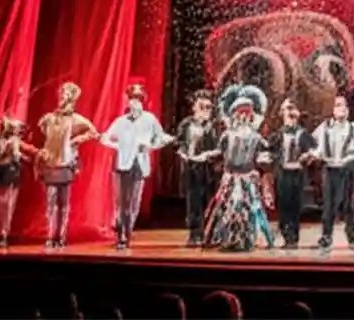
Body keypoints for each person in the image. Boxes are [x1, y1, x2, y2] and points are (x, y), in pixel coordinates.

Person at [101, 82, 174, 249]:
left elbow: (161, 137)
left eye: (139, 98)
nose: (136, 102)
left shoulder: (150, 119)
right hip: (121, 165)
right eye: (133, 98)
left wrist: (149, 146)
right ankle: (121, 234)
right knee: (121, 202)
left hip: (139, 165)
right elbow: (106, 137)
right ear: (128, 101)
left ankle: (126, 235)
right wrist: (118, 146)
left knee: (134, 202)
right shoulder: (120, 121)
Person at [204, 91, 270, 252]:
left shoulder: (255, 137)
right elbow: (220, 152)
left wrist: (265, 159)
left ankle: (247, 238)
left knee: (248, 206)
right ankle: (228, 238)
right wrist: (207, 155)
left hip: (247, 177)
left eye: (247, 113)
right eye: (240, 113)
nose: (243, 116)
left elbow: (263, 153)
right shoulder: (228, 135)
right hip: (231, 176)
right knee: (229, 206)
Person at [36, 81, 98, 249]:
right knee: (51, 203)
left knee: (63, 204)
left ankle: (60, 236)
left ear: (72, 100)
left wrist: (76, 140)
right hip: (51, 163)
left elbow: (93, 131)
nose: (62, 99)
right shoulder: (50, 118)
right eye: (61, 95)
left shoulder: (75, 119)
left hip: (65, 163)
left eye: (65, 96)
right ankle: (50, 235)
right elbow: (43, 131)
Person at [311, 95, 354, 249]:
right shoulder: (325, 127)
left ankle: (351, 237)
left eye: (343, 106)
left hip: (347, 168)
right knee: (328, 204)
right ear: (333, 110)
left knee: (349, 204)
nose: (341, 109)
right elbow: (316, 145)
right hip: (330, 169)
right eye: (337, 105)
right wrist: (314, 155)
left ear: (347, 110)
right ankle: (326, 236)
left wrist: (353, 158)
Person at [0, 116, 36, 249]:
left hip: (8, 172)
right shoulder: (0, 141)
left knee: (5, 204)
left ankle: (2, 234)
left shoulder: (14, 141)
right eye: (16, 129)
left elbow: (20, 152)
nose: (18, 132)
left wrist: (27, 155)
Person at [176, 89, 221, 247]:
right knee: (193, 201)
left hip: (207, 168)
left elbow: (218, 147)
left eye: (209, 108)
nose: (206, 110)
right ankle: (194, 234)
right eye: (203, 107)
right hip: (191, 166)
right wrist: (182, 154)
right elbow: (179, 143)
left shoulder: (212, 126)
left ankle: (208, 234)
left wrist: (208, 155)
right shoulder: (186, 124)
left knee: (208, 200)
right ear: (194, 107)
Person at [270, 98, 316, 248]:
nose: (290, 113)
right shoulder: (278, 134)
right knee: (283, 205)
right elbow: (270, 151)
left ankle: (293, 237)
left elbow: (314, 150)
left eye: (293, 109)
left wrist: (308, 156)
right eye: (287, 110)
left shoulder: (302, 134)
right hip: (283, 174)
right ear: (282, 114)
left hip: (297, 174)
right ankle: (286, 235)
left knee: (295, 206)